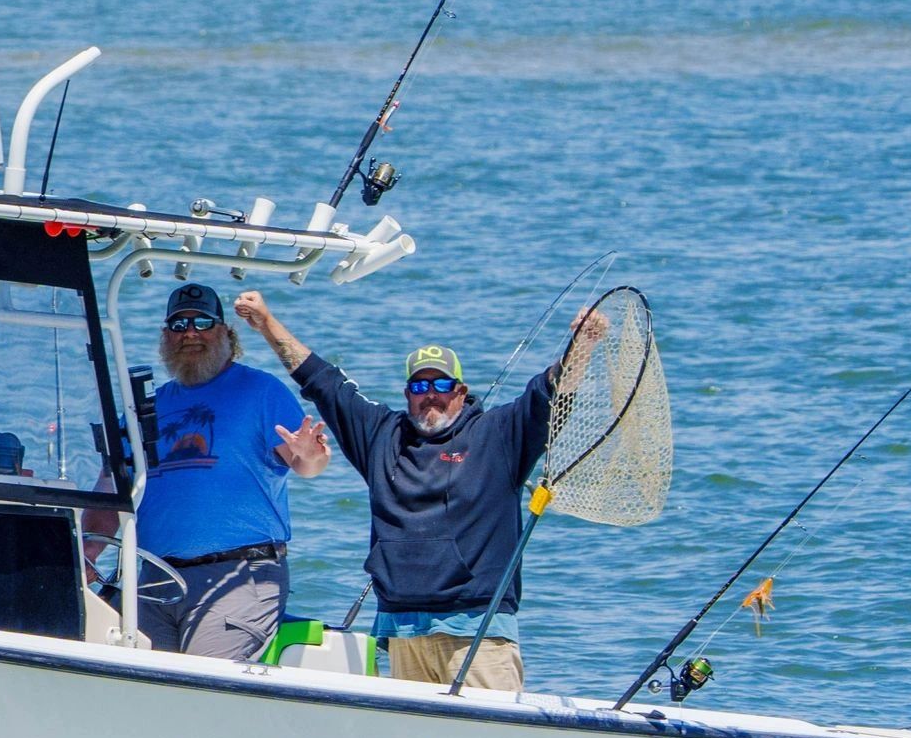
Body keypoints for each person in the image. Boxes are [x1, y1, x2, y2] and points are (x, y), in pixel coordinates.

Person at [233, 290, 604, 693]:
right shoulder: (382, 436)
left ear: (461, 392)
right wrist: (267, 323)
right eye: (419, 386)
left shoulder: (498, 436)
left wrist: (582, 345)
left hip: (476, 632)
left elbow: (548, 396)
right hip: (401, 629)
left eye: (442, 384)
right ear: (407, 394)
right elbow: (322, 381)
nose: (430, 394)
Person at [129, 283, 332, 661]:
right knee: (140, 693)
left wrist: (310, 454)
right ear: (165, 337)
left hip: (238, 575)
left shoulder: (261, 390)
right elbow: (113, 484)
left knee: (201, 689)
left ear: (226, 332)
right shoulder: (147, 407)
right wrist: (89, 552)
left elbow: (308, 464)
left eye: (203, 322)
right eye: (178, 325)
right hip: (154, 580)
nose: (190, 332)